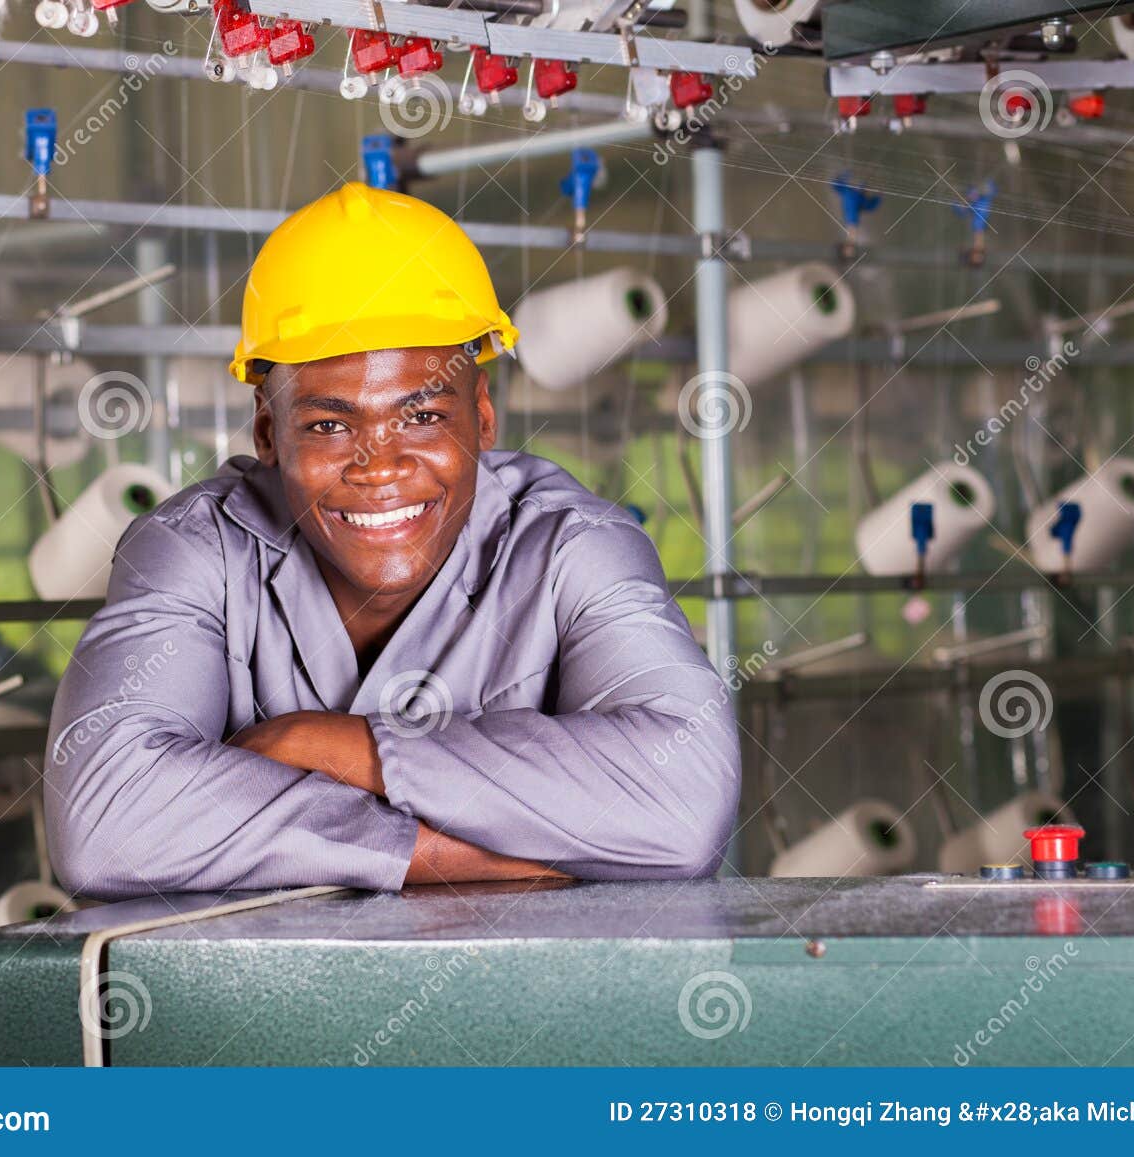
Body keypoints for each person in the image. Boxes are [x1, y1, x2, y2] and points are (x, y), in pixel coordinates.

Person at [44, 182, 741, 899]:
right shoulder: (195, 550)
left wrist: (338, 745)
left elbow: (685, 805)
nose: (379, 467)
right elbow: (105, 829)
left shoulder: (573, 546)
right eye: (329, 425)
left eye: (423, 417)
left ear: (483, 416)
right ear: (267, 433)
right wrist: (438, 852)